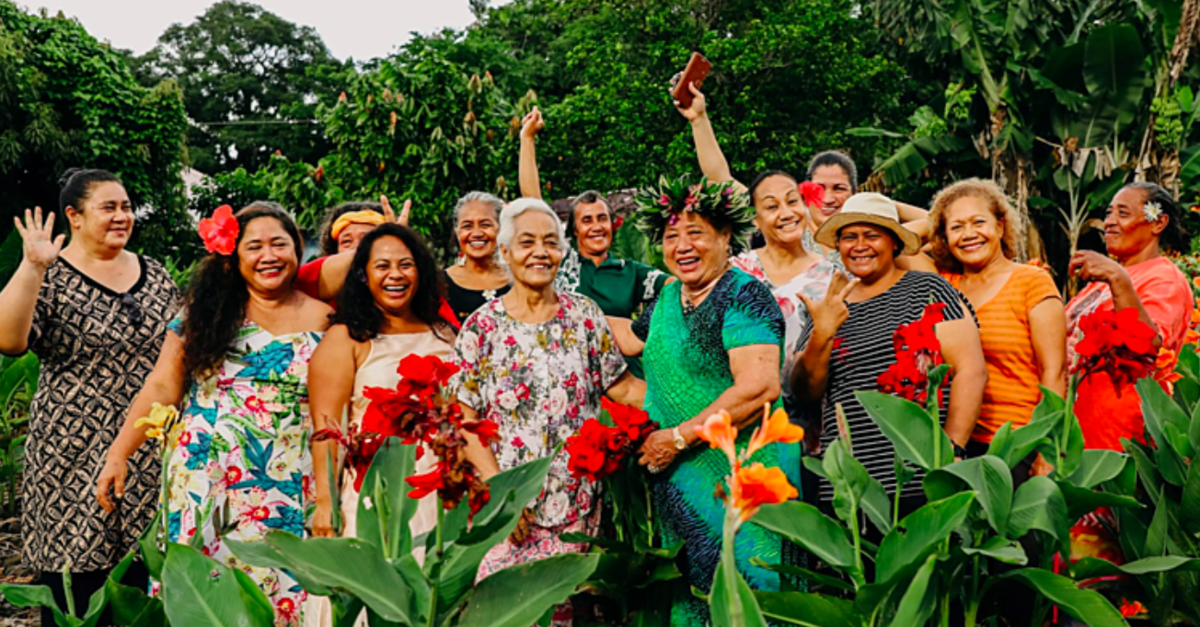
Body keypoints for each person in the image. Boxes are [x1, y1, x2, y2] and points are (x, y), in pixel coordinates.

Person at [97, 202, 330, 626]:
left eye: (280, 243)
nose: (268, 256)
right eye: (254, 246)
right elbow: (162, 386)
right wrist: (119, 454)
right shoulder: (203, 316)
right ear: (233, 257)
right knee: (207, 599)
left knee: (291, 591)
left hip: (293, 480)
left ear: (298, 249)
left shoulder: (329, 318)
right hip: (209, 479)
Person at [606, 177, 798, 623]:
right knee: (693, 595)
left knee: (747, 595)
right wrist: (557, 310)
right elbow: (632, 348)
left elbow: (759, 387)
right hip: (680, 483)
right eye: (672, 236)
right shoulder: (668, 297)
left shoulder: (744, 295)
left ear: (725, 236)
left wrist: (677, 438)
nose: (683, 246)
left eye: (696, 233)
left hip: (740, 476)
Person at [452, 198, 645, 627]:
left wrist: (697, 404)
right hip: (511, 512)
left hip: (580, 506)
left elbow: (623, 387)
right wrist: (504, 495)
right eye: (527, 242)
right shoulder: (482, 328)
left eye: (550, 243)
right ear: (505, 252)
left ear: (563, 252)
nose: (540, 252)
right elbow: (464, 419)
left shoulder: (585, 316)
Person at [0, 169, 179, 626]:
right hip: (72, 450)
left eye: (126, 207)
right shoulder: (52, 275)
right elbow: (9, 340)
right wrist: (33, 266)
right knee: (76, 580)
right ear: (74, 216)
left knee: (149, 576)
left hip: (147, 446)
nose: (122, 217)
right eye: (108, 208)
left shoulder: (155, 274)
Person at [790, 193, 986, 527]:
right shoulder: (830, 304)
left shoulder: (927, 289)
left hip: (922, 470)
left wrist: (952, 450)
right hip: (851, 480)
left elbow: (970, 370)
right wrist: (822, 332)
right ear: (838, 246)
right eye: (849, 237)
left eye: (872, 235)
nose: (859, 245)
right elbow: (804, 392)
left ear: (894, 243)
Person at [305, 223, 454, 627]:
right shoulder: (346, 339)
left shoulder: (445, 333)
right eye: (383, 266)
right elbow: (326, 428)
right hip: (374, 497)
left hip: (441, 495)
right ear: (363, 276)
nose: (395, 275)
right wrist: (326, 507)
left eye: (406, 265)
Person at [673, 80, 932, 267]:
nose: (829, 198)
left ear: (854, 192)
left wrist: (878, 203)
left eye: (839, 189)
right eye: (820, 188)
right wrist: (699, 119)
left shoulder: (872, 238)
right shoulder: (791, 222)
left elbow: (938, 222)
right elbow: (721, 179)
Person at [517, 107, 669, 377]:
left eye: (602, 218)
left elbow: (676, 287)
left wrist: (643, 330)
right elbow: (534, 204)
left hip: (625, 378)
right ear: (574, 230)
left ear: (613, 224)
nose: (596, 227)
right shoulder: (561, 261)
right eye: (587, 221)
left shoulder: (630, 271)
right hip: (567, 377)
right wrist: (527, 140)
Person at [928, 179, 1066, 465]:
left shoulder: (1031, 281)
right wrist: (934, 222)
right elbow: (899, 247)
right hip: (957, 444)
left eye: (979, 222)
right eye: (956, 227)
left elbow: (1055, 371)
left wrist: (1048, 450)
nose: (968, 235)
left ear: (1000, 226)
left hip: (1020, 443)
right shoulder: (944, 285)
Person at [1066, 182, 1193, 451]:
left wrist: (1117, 278)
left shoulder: (1164, 278)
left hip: (1116, 435)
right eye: (1109, 213)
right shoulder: (1099, 283)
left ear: (1157, 223)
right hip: (1071, 425)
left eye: (1122, 213)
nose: (1109, 222)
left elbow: (1148, 346)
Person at [442, 191, 513, 324]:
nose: (476, 233)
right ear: (457, 232)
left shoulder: (518, 281)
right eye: (467, 226)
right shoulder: (439, 285)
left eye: (485, 224)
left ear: (500, 228)